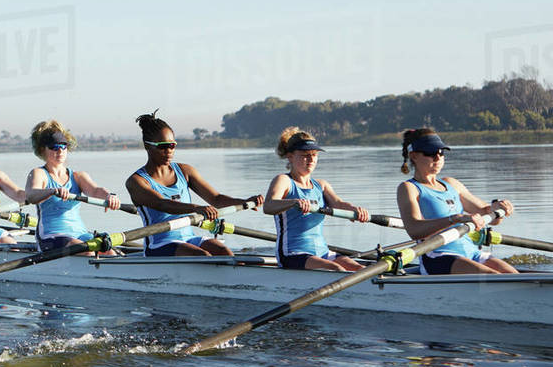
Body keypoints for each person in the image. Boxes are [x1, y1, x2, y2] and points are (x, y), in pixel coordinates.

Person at [125, 110, 263, 256]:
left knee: (224, 252)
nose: (169, 151)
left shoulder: (185, 171)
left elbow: (216, 199)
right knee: (203, 257)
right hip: (159, 244)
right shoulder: (136, 182)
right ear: (147, 146)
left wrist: (244, 202)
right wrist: (196, 208)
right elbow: (163, 204)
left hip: (189, 238)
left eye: (172, 145)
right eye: (162, 146)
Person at [396, 127, 517, 275]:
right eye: (430, 153)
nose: (438, 157)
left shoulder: (451, 183)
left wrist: (498, 208)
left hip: (473, 253)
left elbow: (487, 215)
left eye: (441, 152)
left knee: (513, 275)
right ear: (414, 156)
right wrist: (455, 219)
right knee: (495, 278)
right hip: (439, 257)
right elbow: (414, 230)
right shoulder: (409, 188)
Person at [262, 127, 370, 271]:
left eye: (314, 154)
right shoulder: (284, 181)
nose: (311, 159)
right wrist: (294, 202)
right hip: (293, 254)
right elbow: (268, 206)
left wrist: (355, 210)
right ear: (290, 156)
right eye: (305, 155)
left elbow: (339, 204)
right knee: (336, 270)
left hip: (323, 252)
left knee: (360, 268)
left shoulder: (322, 185)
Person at [24, 120, 121, 252]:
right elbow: (31, 196)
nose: (60, 150)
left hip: (80, 234)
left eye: (64, 146)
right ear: (42, 149)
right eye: (54, 147)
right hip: (51, 236)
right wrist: (52, 191)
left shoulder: (78, 176)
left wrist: (110, 196)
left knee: (109, 251)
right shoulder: (39, 173)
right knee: (85, 250)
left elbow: (95, 190)